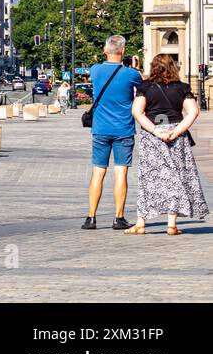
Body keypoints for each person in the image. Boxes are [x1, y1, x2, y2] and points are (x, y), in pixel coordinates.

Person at [126, 54, 208, 234]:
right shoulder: (182, 87)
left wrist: (155, 131)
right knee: (176, 177)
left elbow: (137, 112)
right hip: (176, 135)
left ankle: (141, 223)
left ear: (153, 67)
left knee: (148, 178)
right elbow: (193, 112)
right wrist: (176, 131)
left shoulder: (145, 87)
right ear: (173, 66)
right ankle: (171, 224)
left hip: (152, 136)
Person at [83, 35, 144, 230]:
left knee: (98, 172)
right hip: (123, 129)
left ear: (104, 50)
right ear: (123, 51)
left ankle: (91, 217)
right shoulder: (130, 74)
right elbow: (143, 85)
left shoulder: (95, 70)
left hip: (100, 129)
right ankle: (118, 217)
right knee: (121, 173)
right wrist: (136, 68)